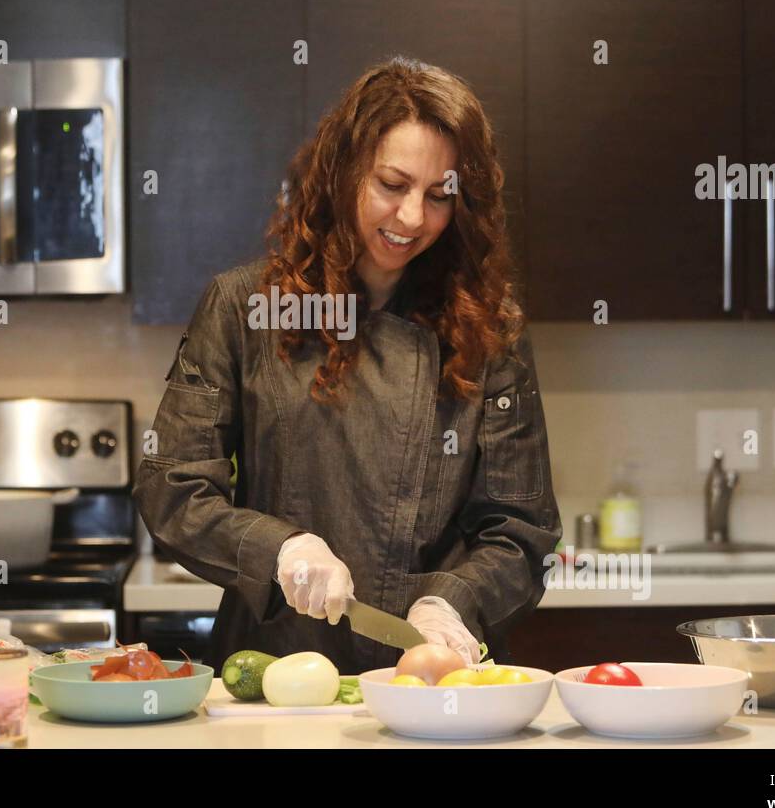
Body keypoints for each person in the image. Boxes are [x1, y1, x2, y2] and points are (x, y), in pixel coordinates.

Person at [133, 56, 561, 675]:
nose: (412, 218)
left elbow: (521, 530)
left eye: (439, 195)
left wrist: (453, 603)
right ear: (343, 169)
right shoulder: (245, 307)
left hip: (430, 674)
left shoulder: (491, 330)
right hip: (275, 673)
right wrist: (280, 550)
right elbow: (172, 488)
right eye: (392, 184)